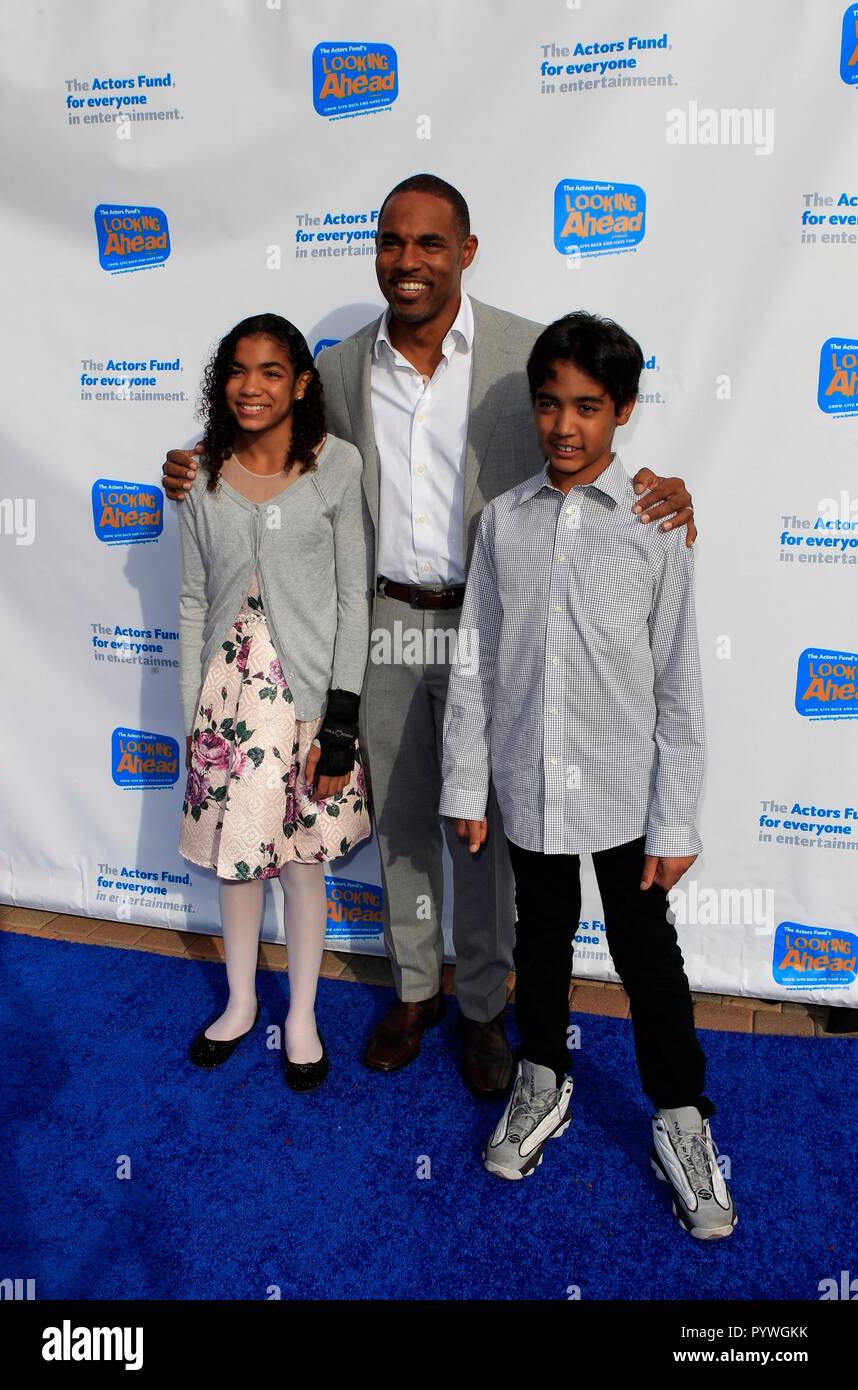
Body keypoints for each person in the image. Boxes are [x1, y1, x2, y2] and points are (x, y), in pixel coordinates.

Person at [161, 175, 699, 1099]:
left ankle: (487, 1008)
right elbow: (274, 447)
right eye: (390, 242)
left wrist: (666, 490)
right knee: (406, 820)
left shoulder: (521, 354)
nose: (407, 262)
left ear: (466, 251)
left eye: (429, 244)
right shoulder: (335, 370)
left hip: (498, 628)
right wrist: (196, 464)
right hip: (379, 624)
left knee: (481, 831)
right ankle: (417, 991)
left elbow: (584, 432)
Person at [440, 311, 736, 1240]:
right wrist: (464, 784)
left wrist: (677, 818)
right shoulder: (503, 525)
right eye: (548, 405)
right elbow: (476, 662)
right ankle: (543, 1078)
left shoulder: (655, 527)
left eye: (588, 407)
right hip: (529, 784)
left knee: (649, 956)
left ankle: (682, 1117)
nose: (565, 426)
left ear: (624, 410)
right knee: (543, 942)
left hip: (624, 792)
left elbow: (679, 681)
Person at [177, 313, 371, 1092]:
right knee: (236, 861)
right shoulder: (199, 474)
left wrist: (345, 722)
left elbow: (354, 596)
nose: (251, 387)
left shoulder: (337, 466)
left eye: (269, 371)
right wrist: (191, 709)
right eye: (237, 370)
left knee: (302, 861)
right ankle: (240, 1001)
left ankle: (301, 1015)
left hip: (309, 703)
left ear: (300, 383)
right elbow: (194, 599)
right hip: (227, 708)